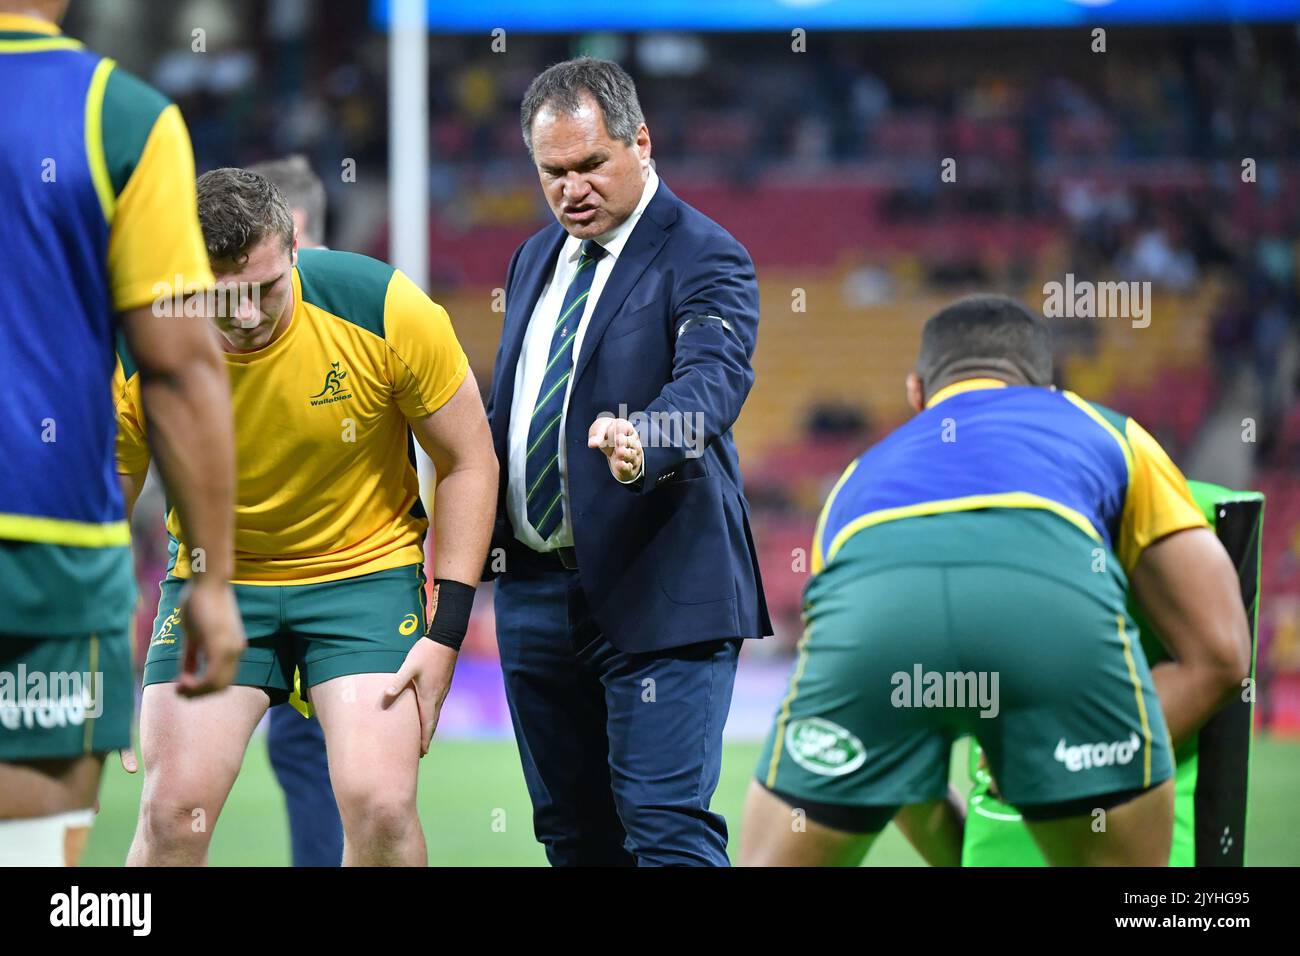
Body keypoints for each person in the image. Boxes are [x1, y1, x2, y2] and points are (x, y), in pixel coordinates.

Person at [740, 294, 1251, 867]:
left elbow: (894, 761)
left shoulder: (853, 483)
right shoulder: (1106, 431)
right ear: (1046, 387)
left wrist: (972, 850)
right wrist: (1068, 761)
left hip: (877, 625)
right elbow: (1222, 654)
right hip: (1053, 625)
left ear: (917, 392)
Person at [117, 168, 498, 866]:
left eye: (263, 289)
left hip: (365, 576)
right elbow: (104, 502)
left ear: (295, 247)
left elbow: (470, 460)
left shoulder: (383, 307)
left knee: (380, 809)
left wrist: (447, 633)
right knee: (173, 817)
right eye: (220, 296)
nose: (245, 317)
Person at [483, 57, 771, 866]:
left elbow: (711, 383)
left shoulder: (705, 254)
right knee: (574, 840)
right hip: (536, 596)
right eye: (553, 173)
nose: (572, 188)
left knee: (666, 830)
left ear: (641, 142)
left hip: (661, 589)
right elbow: (513, 412)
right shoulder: (534, 259)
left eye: (590, 165)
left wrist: (649, 437)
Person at [0, 0, 242, 866]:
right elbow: (178, 365)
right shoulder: (120, 116)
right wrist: (211, 579)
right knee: (26, 857)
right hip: (40, 550)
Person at [244, 155, 343, 867]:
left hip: (341, 580)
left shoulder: (356, 313)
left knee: (325, 760)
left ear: (297, 228)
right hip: (265, 579)